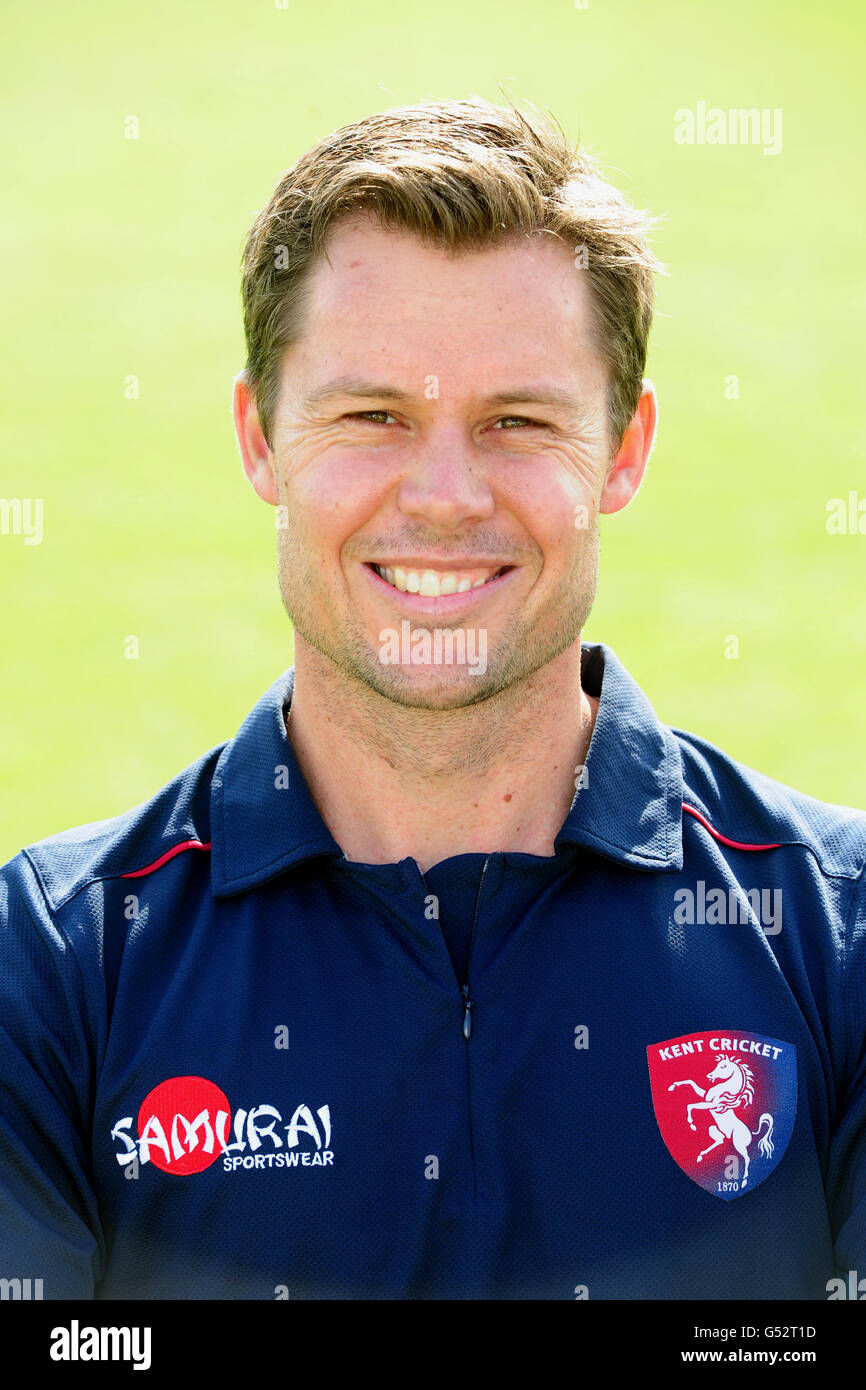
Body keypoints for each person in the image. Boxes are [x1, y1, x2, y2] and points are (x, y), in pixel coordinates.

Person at [1, 97, 863, 1301]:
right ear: (259, 437)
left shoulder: (838, 934)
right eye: (373, 417)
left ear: (622, 448)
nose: (446, 495)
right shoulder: (47, 965)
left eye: (517, 420)